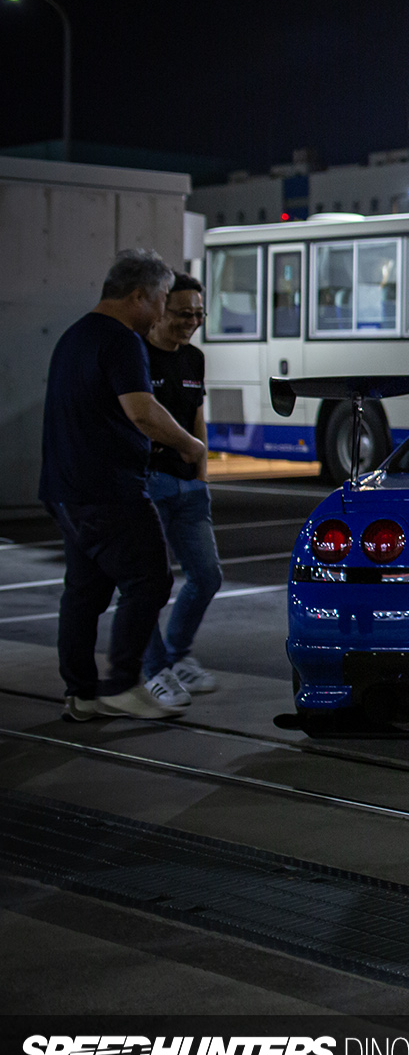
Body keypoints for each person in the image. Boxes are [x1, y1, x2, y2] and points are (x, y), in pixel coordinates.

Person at [42, 250, 207, 722]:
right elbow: (142, 411)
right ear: (138, 295)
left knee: (85, 592)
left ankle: (80, 693)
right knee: (150, 581)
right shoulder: (121, 341)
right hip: (109, 490)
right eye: (161, 299)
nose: (161, 311)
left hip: (65, 489)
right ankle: (121, 685)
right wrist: (190, 445)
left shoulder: (74, 336)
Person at [139, 273, 222, 708]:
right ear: (160, 310)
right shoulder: (135, 355)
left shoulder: (194, 359)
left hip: (189, 485)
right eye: (183, 313)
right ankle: (154, 670)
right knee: (147, 585)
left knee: (207, 576)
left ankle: (177, 655)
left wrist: (201, 475)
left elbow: (197, 418)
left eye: (198, 314)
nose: (191, 321)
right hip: (147, 485)